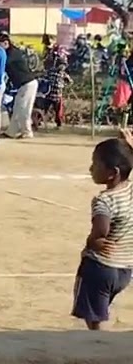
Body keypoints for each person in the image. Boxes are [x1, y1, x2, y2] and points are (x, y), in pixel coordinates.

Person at [72, 137, 133, 330]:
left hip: (100, 267)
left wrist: (93, 240)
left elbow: (101, 231)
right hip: (125, 269)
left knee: (94, 318)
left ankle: (100, 339)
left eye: (96, 164)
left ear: (113, 173)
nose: (91, 169)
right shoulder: (130, 190)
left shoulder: (104, 201)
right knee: (102, 305)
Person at [1, 33, 39, 139]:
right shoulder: (9, 52)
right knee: (17, 108)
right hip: (22, 85)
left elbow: (5, 63)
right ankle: (12, 132)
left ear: (6, 43)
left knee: (24, 109)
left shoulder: (13, 53)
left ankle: (27, 132)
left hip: (28, 83)